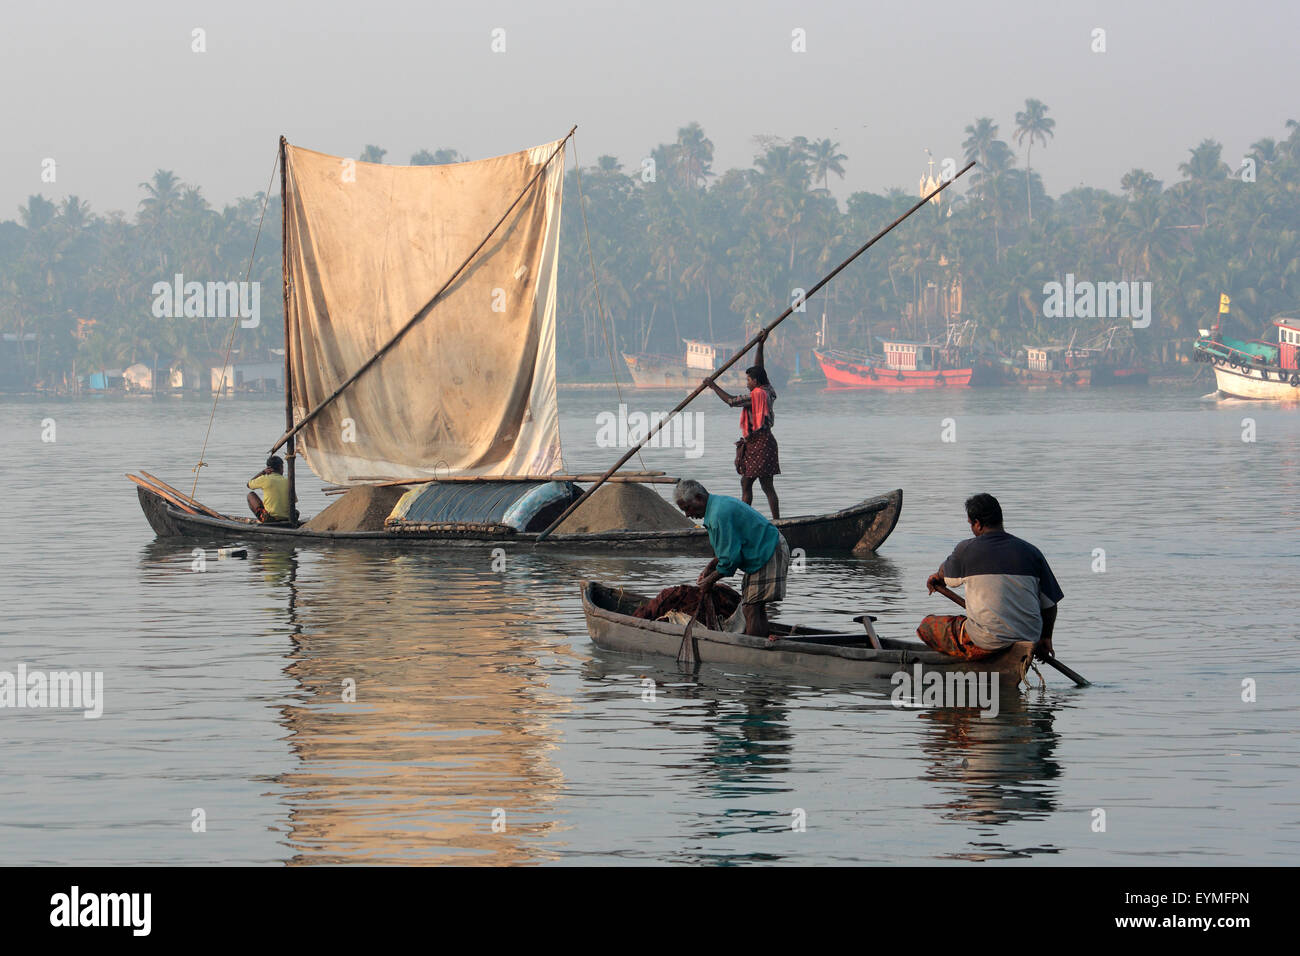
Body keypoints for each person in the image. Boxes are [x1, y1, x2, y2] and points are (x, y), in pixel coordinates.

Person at [921, 493, 1063, 661]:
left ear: (977, 524)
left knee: (928, 626)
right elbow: (1050, 605)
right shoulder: (1032, 552)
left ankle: (969, 662)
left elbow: (946, 575)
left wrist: (937, 576)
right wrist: (1046, 638)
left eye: (971, 524)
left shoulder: (966, 549)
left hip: (988, 640)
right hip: (1029, 637)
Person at [674, 478, 790, 639]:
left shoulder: (718, 514)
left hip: (768, 550)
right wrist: (710, 568)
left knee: (752, 606)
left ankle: (753, 650)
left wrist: (710, 581)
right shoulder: (715, 508)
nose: (688, 514)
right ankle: (760, 642)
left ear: (699, 498)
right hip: (760, 552)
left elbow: (730, 562)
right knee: (753, 604)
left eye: (688, 508)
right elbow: (725, 551)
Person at [705, 329, 780, 518]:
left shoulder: (755, 396)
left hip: (760, 443)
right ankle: (775, 519)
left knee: (752, 484)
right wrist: (760, 345)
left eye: (748, 380)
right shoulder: (767, 389)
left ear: (755, 381)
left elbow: (731, 401)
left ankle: (754, 519)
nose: (746, 383)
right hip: (764, 442)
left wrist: (712, 386)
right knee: (763, 485)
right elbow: (759, 368)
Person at [247, 455, 294, 524]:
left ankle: (263, 519)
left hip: (270, 519)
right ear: (281, 468)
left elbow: (249, 485)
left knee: (250, 495)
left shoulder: (264, 478)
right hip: (288, 517)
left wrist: (263, 472)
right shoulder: (288, 481)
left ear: (268, 468)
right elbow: (293, 501)